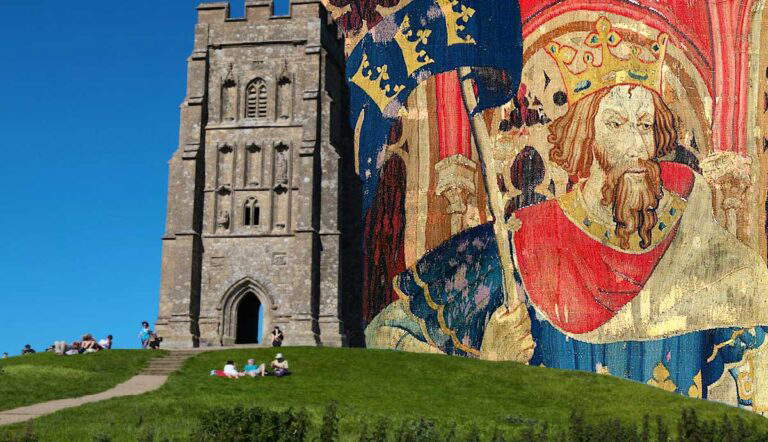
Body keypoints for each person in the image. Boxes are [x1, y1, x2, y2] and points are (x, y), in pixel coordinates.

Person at [365, 17, 768, 408]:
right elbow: (384, 342)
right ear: (584, 138)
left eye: (645, 126)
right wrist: (484, 368)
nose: (636, 146)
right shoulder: (518, 245)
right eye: (616, 124)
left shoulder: (695, 234)